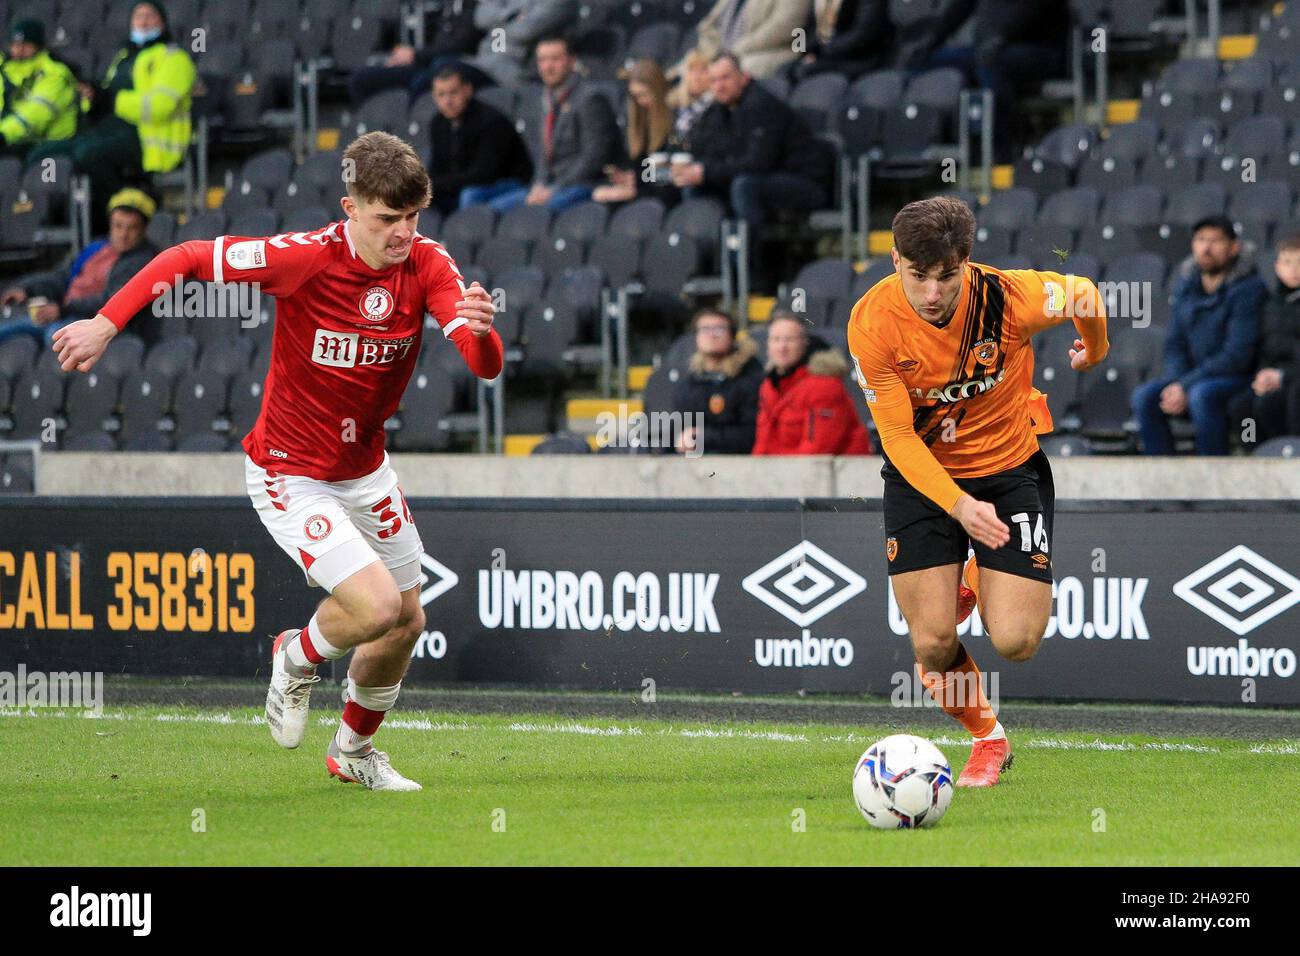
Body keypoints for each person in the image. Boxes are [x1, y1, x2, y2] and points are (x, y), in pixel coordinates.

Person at [51, 132, 503, 792]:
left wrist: (485, 335)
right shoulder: (304, 258)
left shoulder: (428, 265)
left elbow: (481, 366)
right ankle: (295, 654)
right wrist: (106, 323)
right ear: (351, 208)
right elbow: (184, 256)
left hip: (364, 471)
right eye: (387, 219)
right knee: (376, 607)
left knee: (408, 622)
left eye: (413, 217)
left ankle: (352, 753)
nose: (404, 232)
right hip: (290, 472)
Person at [847, 196, 1109, 786]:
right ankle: (988, 739)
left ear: (966, 262)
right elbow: (896, 437)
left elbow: (1086, 293)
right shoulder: (872, 324)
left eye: (947, 276)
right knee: (935, 643)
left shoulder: (1008, 298)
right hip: (924, 480)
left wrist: (1097, 349)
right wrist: (959, 506)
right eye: (918, 276)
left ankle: (972, 578)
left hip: (1008, 468)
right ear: (895, 261)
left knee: (1015, 641)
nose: (933, 292)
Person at [27, 2, 195, 234]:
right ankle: (55, 218)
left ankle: (132, 210)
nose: (144, 22)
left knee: (88, 155)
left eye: (150, 16)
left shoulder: (174, 58)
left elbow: (159, 107)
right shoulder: (123, 57)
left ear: (163, 23)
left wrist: (112, 99)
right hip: (108, 132)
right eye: (138, 17)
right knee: (42, 154)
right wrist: (94, 98)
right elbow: (105, 98)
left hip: (146, 140)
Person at [674, 53, 832, 289]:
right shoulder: (717, 111)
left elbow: (758, 162)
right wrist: (693, 170)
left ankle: (750, 274)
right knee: (694, 188)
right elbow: (704, 151)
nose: (719, 85)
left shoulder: (763, 106)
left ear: (744, 77)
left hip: (804, 183)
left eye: (726, 78)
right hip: (757, 182)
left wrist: (707, 171)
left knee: (743, 185)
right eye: (714, 80)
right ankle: (708, 267)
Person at [1132, 215, 1266, 456]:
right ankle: (1163, 480)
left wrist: (1185, 385)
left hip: (1239, 377)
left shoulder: (1250, 288)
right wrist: (1176, 383)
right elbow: (1175, 345)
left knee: (1202, 395)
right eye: (1201, 240)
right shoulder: (1187, 286)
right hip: (1194, 378)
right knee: (1145, 396)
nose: (1206, 248)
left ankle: (1212, 480)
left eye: (1216, 241)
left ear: (1234, 247)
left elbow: (1238, 355)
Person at [460, 35, 619, 214]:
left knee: (537, 213)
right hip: (548, 186)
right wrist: (539, 185)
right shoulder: (543, 99)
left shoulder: (590, 99)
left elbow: (593, 156)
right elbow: (543, 155)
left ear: (572, 61)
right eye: (542, 60)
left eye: (555, 59)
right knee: (484, 209)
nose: (548, 67)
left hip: (582, 184)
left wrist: (554, 189)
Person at [903, 0, 1069, 162]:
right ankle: (913, 143)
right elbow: (960, 7)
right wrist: (931, 42)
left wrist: (1000, 37)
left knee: (991, 64)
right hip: (988, 47)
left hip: (1038, 49)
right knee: (927, 60)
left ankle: (1000, 151)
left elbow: (1030, 9)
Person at [0, 188, 159, 348]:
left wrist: (63, 310)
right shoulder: (96, 248)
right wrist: (26, 289)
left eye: (132, 228)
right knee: (4, 330)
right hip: (64, 314)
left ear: (144, 230)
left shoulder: (144, 260)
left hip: (93, 323)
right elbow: (62, 276)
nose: (123, 234)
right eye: (118, 226)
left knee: (56, 338)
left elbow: (114, 300)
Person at [752, 311, 873, 455]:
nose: (782, 347)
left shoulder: (825, 385)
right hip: (781, 470)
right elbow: (763, 441)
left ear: (804, 343)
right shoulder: (769, 385)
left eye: (789, 339)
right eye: (776, 339)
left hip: (833, 473)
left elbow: (817, 450)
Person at [424, 66, 532, 215]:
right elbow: (437, 167)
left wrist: (436, 184)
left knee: (470, 195)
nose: (448, 101)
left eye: (453, 93)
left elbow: (483, 174)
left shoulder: (491, 121)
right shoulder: (438, 123)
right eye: (441, 95)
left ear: (467, 90)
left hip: (507, 184)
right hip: (462, 186)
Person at [1228, 234, 1300, 447]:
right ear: (1277, 266)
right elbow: (1263, 349)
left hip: (1293, 380)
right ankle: (1254, 452)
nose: (1294, 270)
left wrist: (1282, 376)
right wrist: (1262, 376)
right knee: (1240, 409)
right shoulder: (1269, 305)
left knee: (1267, 405)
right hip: (1270, 378)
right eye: (1288, 262)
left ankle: (1285, 451)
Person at [347, 0, 487, 106]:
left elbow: (460, 47)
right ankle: (371, 135)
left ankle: (411, 131)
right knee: (361, 78)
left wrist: (415, 55)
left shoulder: (478, 6)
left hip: (455, 64)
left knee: (421, 81)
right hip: (426, 62)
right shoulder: (448, 5)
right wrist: (403, 55)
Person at [670, 308, 764, 454]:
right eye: (704, 329)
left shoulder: (751, 377)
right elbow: (677, 430)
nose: (711, 335)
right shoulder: (690, 382)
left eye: (719, 329)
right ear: (696, 337)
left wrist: (703, 437)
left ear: (732, 336)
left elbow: (751, 434)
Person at [592, 59, 674, 205]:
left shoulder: (673, 121)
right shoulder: (640, 124)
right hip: (644, 193)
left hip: (664, 195)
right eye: (635, 96)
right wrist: (630, 178)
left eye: (644, 94)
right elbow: (643, 169)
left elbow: (666, 176)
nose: (641, 101)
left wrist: (635, 187)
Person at [0, 19, 78, 158]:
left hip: (48, 143)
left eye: (25, 45)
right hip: (14, 137)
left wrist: (3, 134)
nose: (18, 50)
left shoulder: (54, 73)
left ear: (38, 46)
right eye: (15, 44)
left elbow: (36, 115)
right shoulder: (5, 67)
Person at [678, 0, 814, 79]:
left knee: (736, 69)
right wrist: (713, 49)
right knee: (689, 67)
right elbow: (708, 25)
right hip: (727, 50)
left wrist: (736, 49)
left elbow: (784, 28)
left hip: (772, 50)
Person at [789, 0, 895, 81]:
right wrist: (811, 52)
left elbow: (862, 36)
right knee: (787, 70)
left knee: (804, 71)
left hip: (858, 59)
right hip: (828, 53)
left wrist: (821, 53)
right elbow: (812, 28)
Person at [667, 49, 713, 153]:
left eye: (703, 70)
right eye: (692, 70)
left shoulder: (717, 106)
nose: (697, 76)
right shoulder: (673, 104)